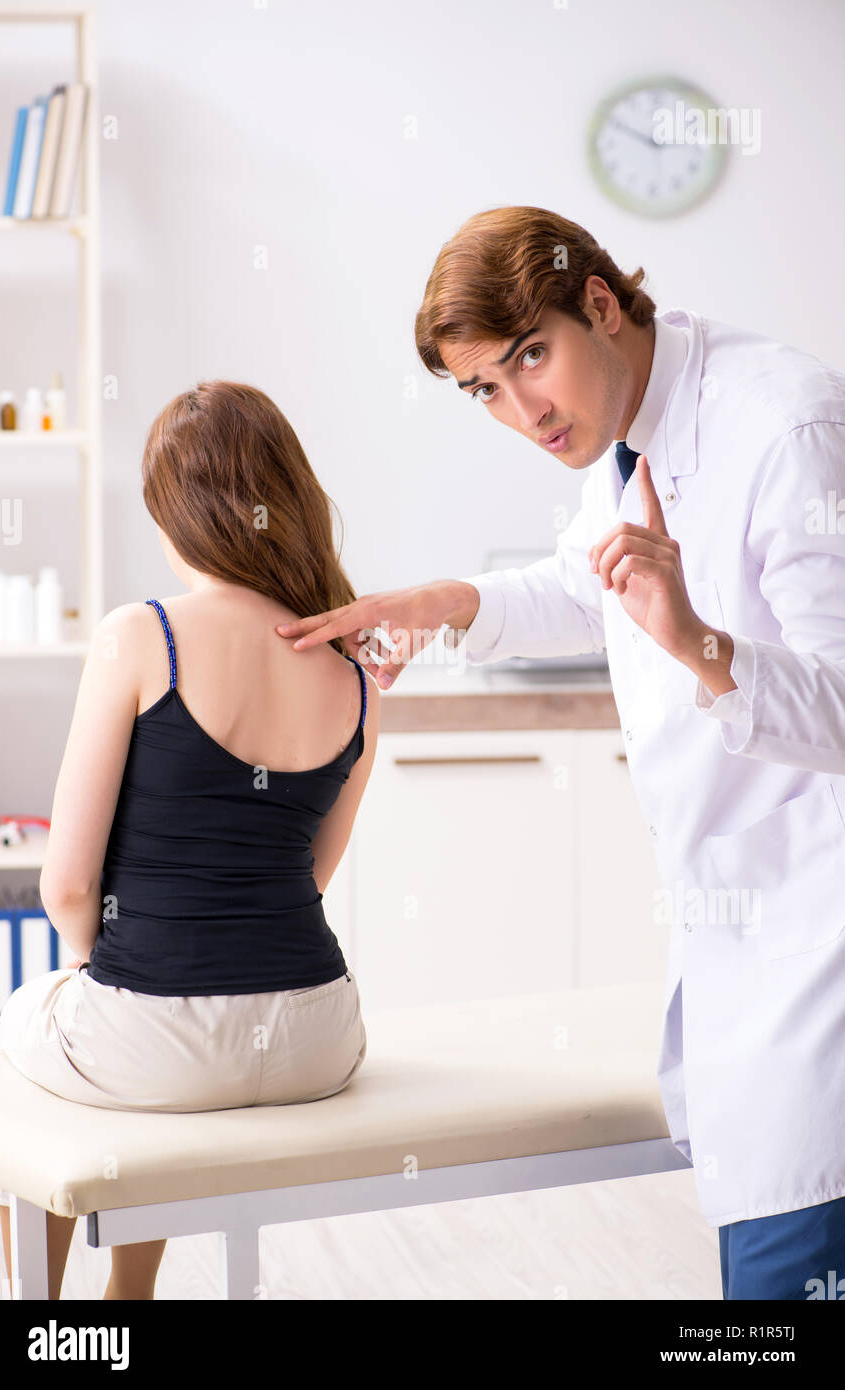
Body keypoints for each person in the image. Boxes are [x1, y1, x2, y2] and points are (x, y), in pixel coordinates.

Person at [275, 205, 845, 1301]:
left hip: (817, 975)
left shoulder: (787, 427)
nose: (522, 408)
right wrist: (451, 603)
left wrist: (702, 644)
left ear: (599, 302)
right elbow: (592, 585)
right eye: (485, 386)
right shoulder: (628, 431)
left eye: (531, 356)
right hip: (749, 975)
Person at [0, 380, 379, 1300]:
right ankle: (130, 1295)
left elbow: (66, 892)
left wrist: (118, 969)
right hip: (317, 1035)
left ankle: (44, 1324)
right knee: (136, 1036)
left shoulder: (143, 636)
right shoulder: (353, 674)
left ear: (178, 514)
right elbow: (310, 876)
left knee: (21, 1035)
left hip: (159, 1037)